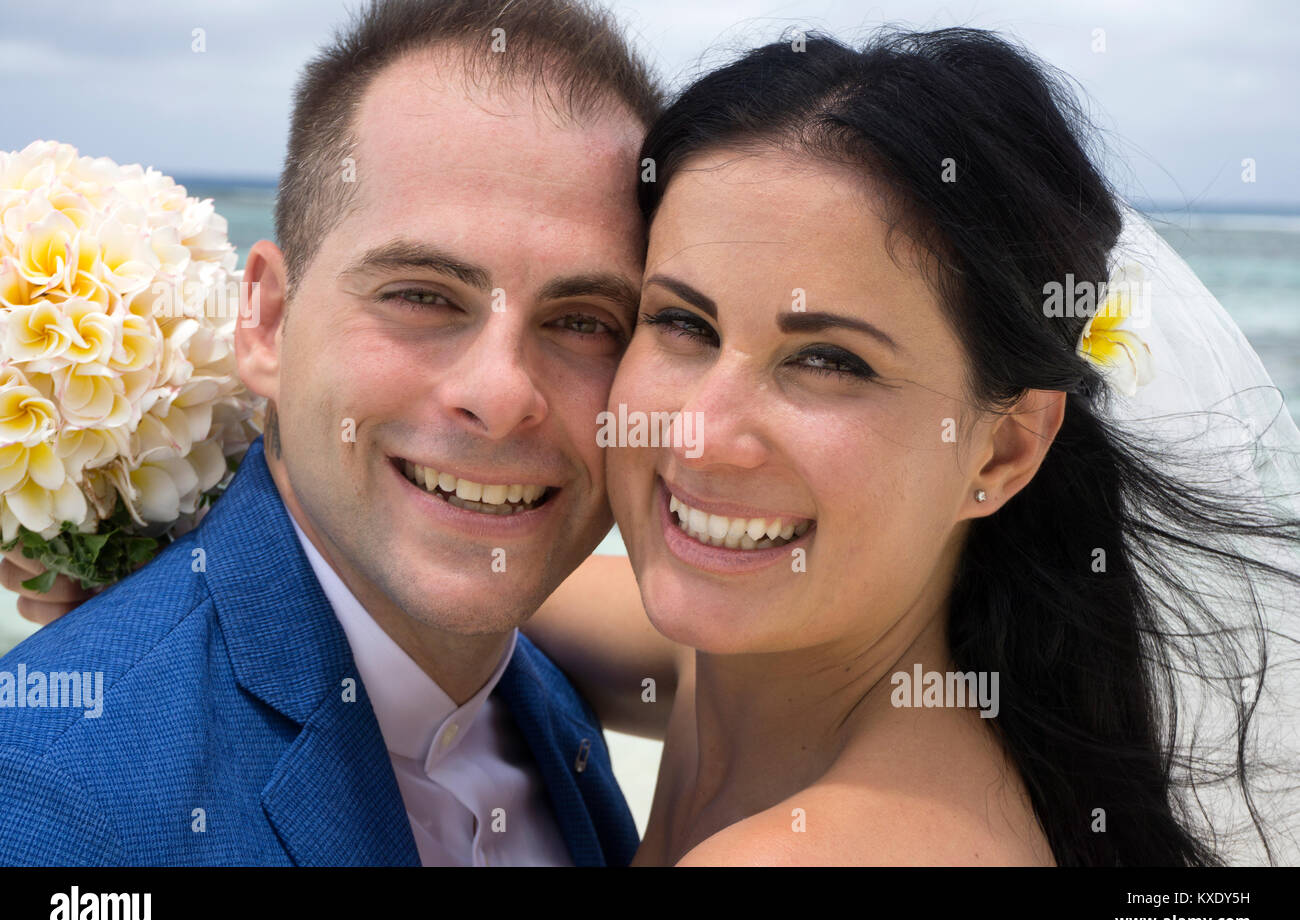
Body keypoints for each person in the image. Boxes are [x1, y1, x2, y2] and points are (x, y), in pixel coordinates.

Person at [11, 26, 1300, 867]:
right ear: (273, 318)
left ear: (1004, 453)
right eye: (676, 321)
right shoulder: (734, 659)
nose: (696, 429)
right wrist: (170, 535)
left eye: (830, 360)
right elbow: (501, 582)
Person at [0, 0, 662, 866]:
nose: (503, 396)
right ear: (268, 321)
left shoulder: (547, 711)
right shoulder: (51, 799)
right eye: (424, 295)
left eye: (584, 320)